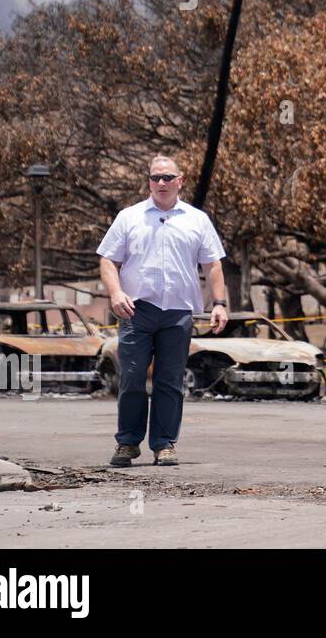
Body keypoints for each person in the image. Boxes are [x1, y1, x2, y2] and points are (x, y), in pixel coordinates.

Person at [97, 155, 228, 467]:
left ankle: (164, 444)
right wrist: (115, 293)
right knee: (131, 376)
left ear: (180, 180)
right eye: (155, 178)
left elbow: (212, 265)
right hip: (135, 310)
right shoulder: (129, 217)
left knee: (170, 380)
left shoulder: (196, 219)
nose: (161, 183)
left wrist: (220, 304)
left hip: (178, 312)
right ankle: (127, 443)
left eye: (168, 177)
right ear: (149, 182)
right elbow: (107, 260)